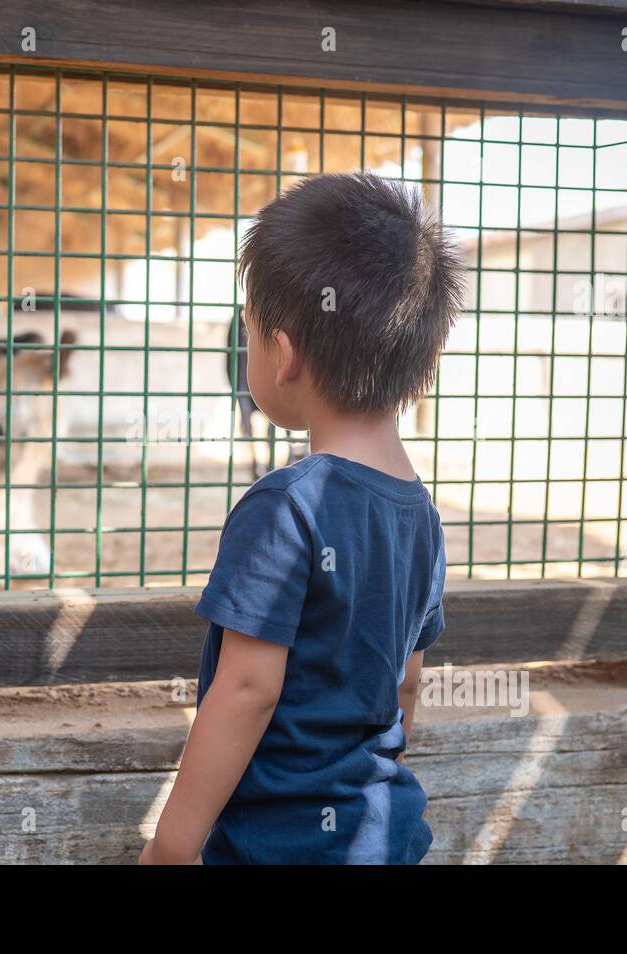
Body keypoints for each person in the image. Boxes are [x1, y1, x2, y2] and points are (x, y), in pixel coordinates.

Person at [139, 171, 464, 864]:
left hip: (279, 846)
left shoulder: (285, 504)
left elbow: (249, 688)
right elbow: (407, 683)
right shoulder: (420, 512)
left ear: (281, 355)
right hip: (386, 832)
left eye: (250, 333)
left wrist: (171, 845)